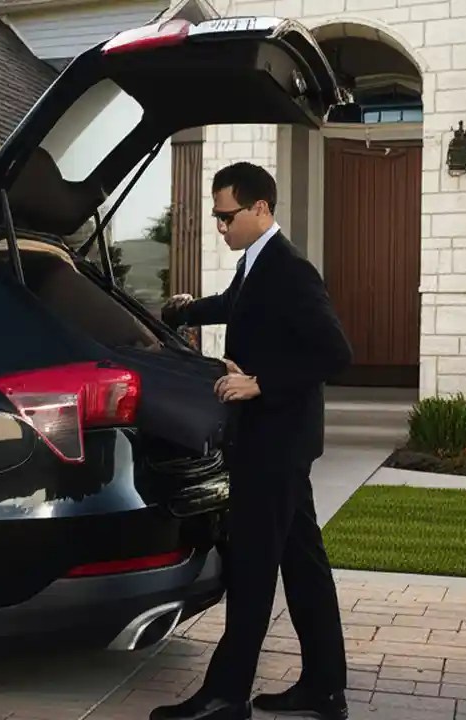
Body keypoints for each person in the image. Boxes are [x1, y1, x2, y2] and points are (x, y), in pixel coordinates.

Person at [152, 162, 353, 720]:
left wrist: (260, 383)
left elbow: (334, 353)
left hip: (274, 444)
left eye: (225, 216)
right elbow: (236, 304)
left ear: (260, 209)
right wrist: (187, 309)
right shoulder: (257, 265)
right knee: (304, 564)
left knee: (253, 567)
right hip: (280, 446)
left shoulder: (289, 270)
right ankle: (324, 688)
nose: (219, 226)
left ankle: (226, 695)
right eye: (217, 217)